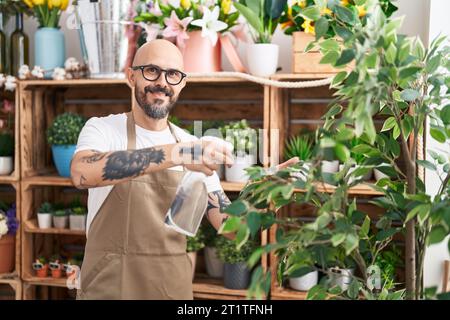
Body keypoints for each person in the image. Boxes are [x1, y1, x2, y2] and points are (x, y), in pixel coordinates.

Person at [70, 39, 298, 300]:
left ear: (182, 84)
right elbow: (81, 173)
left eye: (173, 74)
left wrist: (263, 191)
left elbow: (231, 228)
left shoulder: (193, 146)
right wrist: (177, 154)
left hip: (170, 288)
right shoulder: (103, 129)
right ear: (131, 76)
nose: (163, 83)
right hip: (109, 286)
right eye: (152, 70)